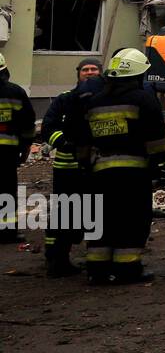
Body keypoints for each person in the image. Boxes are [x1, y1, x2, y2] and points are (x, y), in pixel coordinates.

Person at [74, 48, 165, 284]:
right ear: (137, 76)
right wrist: (163, 167)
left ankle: (97, 270)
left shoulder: (93, 102)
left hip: (99, 174)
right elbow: (156, 139)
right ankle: (127, 269)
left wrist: (85, 166)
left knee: (103, 220)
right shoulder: (143, 99)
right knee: (131, 220)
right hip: (133, 173)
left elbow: (82, 140)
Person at [39, 58, 101, 273]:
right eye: (86, 69)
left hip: (96, 167)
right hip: (67, 167)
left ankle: (95, 257)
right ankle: (56, 258)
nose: (90, 73)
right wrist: (63, 142)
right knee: (64, 212)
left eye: (94, 69)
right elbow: (48, 126)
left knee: (95, 211)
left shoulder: (104, 100)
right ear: (78, 73)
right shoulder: (64, 100)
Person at [0, 54, 37, 245]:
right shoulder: (15, 92)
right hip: (6, 153)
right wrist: (25, 146)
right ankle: (6, 233)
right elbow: (28, 123)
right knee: (6, 191)